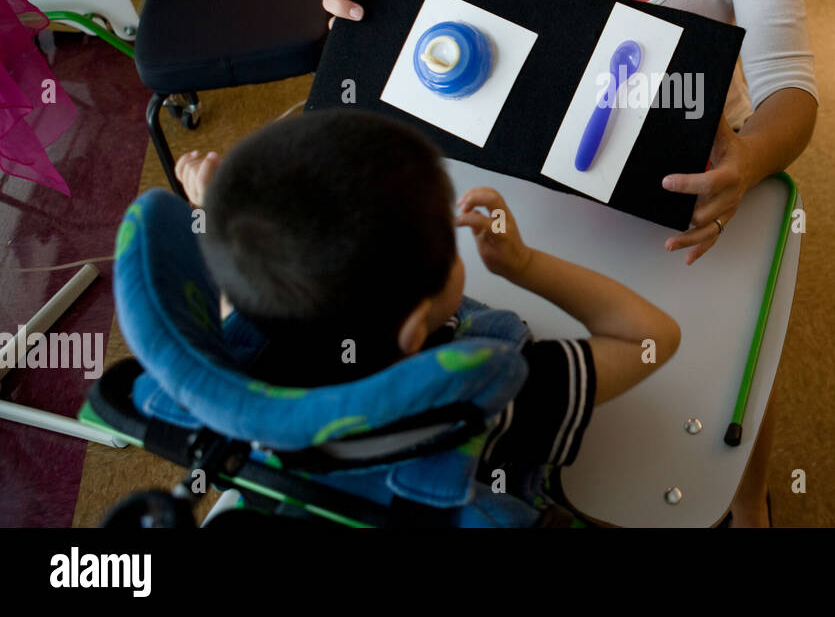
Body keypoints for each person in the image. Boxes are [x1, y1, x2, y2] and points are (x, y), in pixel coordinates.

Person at [322, 0, 816, 526]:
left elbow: (793, 93)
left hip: (671, 187)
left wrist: (746, 160)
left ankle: (746, 502)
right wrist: (379, 22)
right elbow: (480, 24)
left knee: (737, 348)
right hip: (539, 164)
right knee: (493, 309)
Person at [173, 110, 680, 525]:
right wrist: (524, 265)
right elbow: (651, 339)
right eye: (449, 244)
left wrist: (218, 210)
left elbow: (235, 300)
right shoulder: (487, 395)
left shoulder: (232, 361)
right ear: (416, 329)